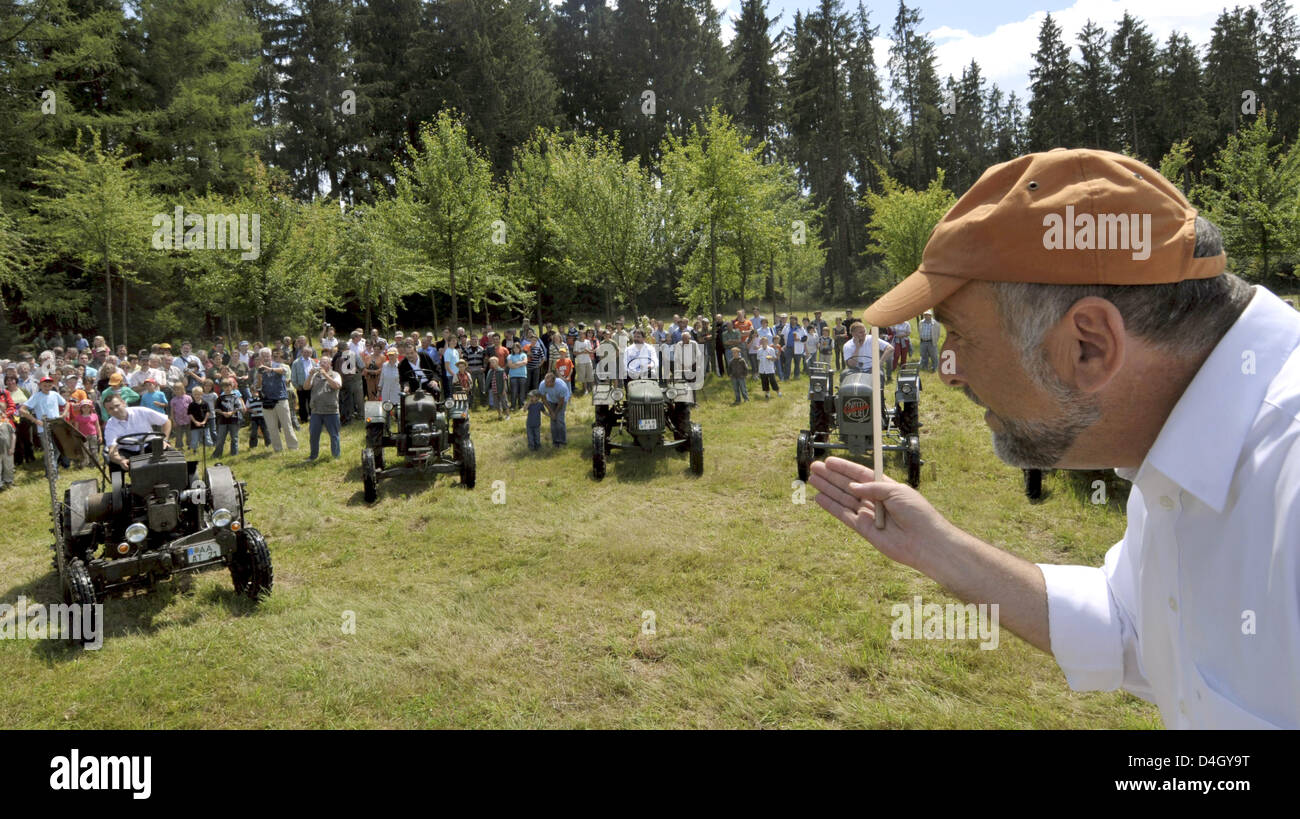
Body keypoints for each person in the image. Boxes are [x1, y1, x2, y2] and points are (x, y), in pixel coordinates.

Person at [809, 148, 1300, 729]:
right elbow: (1130, 621)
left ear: (1089, 345)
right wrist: (937, 548)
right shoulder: (1183, 432)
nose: (950, 369)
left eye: (961, 335)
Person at [102, 394, 172, 470]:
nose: (115, 410)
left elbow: (166, 421)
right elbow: (112, 450)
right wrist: (120, 460)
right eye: (111, 409)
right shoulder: (110, 426)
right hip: (127, 450)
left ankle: (175, 478)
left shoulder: (141, 411)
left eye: (117, 406)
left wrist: (164, 440)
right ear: (107, 411)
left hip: (148, 445)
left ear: (123, 403)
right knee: (114, 465)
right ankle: (117, 482)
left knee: (170, 452)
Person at [19, 376, 67, 475]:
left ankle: (52, 469)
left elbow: (67, 404)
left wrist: (63, 414)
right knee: (49, 450)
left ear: (52, 385)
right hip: (43, 427)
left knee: (58, 449)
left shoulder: (55, 394)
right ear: (40, 385)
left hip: (56, 425)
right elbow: (22, 410)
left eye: (49, 385)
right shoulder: (36, 396)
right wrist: (36, 420)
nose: (47, 387)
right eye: (44, 385)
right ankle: (52, 473)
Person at [253, 348, 298, 452]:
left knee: (287, 424)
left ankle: (293, 447)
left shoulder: (278, 365)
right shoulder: (258, 370)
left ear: (271, 356)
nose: (266, 357)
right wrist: (260, 377)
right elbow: (257, 387)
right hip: (267, 401)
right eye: (263, 356)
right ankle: (277, 449)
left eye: (267, 355)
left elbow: (284, 371)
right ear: (260, 358)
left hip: (280, 399)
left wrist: (270, 369)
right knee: (272, 427)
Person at [305, 355, 342, 461]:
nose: (321, 364)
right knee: (313, 436)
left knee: (334, 435)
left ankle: (336, 456)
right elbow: (306, 387)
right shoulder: (315, 375)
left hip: (331, 411)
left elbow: (337, 386)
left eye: (324, 362)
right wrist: (310, 375)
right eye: (320, 362)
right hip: (316, 410)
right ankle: (313, 456)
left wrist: (325, 375)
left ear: (330, 365)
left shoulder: (335, 375)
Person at [212, 377, 245, 458]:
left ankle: (234, 454)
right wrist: (223, 413)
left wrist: (231, 412)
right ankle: (217, 454)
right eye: (225, 387)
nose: (227, 388)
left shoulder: (235, 397)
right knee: (220, 439)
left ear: (232, 387)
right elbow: (216, 409)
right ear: (222, 388)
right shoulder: (220, 398)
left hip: (234, 420)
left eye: (228, 386)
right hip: (223, 420)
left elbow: (238, 407)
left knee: (234, 438)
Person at [538, 371, 571, 446]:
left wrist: (555, 413)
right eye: (545, 381)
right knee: (553, 420)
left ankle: (563, 441)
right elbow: (543, 399)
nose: (545, 383)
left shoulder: (561, 386)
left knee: (560, 419)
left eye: (548, 382)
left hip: (562, 400)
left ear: (553, 382)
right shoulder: (542, 385)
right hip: (551, 400)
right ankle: (555, 441)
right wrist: (551, 412)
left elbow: (561, 402)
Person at [71, 399, 101, 468]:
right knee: (85, 450)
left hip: (93, 435)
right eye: (84, 407)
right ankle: (85, 463)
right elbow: (76, 428)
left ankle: (94, 463)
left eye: (88, 407)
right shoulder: (78, 417)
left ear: (91, 408)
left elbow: (97, 426)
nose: (86, 409)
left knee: (94, 449)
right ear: (81, 408)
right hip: (83, 436)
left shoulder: (94, 415)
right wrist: (77, 437)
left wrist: (100, 436)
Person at [0, 380, 17, 489]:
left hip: (5, 425)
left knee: (8, 460)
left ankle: (8, 480)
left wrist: (5, 414)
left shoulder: (4, 393)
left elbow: (12, 407)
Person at [168, 382, 191, 451]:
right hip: (178, 420)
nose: (177, 391)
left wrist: (193, 418)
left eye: (179, 389)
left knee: (189, 433)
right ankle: (179, 446)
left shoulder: (188, 398)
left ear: (182, 389)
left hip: (188, 419)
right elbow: (172, 412)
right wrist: (173, 421)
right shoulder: (173, 400)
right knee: (179, 435)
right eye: (175, 390)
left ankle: (190, 444)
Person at [506, 343, 528, 410]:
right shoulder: (510, 356)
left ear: (520, 348)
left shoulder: (523, 354)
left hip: (522, 375)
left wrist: (515, 364)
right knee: (514, 391)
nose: (516, 349)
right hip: (513, 376)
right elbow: (510, 365)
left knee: (522, 391)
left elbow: (525, 362)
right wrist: (520, 363)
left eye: (517, 348)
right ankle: (513, 406)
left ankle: (521, 405)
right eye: (514, 348)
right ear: (512, 349)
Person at [487, 356, 509, 420]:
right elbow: (489, 381)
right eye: (491, 363)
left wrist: (504, 390)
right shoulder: (491, 371)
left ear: (497, 362)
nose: (492, 364)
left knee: (504, 402)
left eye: (493, 362)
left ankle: (507, 415)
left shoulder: (501, 371)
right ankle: (500, 415)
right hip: (494, 390)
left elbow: (504, 380)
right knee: (496, 404)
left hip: (501, 390)